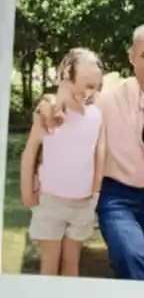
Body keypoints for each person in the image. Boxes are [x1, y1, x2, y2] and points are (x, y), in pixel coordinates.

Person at [38, 24, 144, 282]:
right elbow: (70, 100)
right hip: (116, 197)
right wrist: (50, 103)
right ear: (132, 56)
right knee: (130, 253)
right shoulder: (108, 96)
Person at [20, 48, 105, 276]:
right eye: (86, 85)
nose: (89, 93)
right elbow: (30, 151)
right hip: (51, 204)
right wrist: (27, 193)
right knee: (49, 269)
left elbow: (99, 152)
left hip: (83, 206)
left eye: (95, 87)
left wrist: (95, 192)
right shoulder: (47, 114)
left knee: (71, 267)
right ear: (67, 75)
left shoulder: (96, 115)